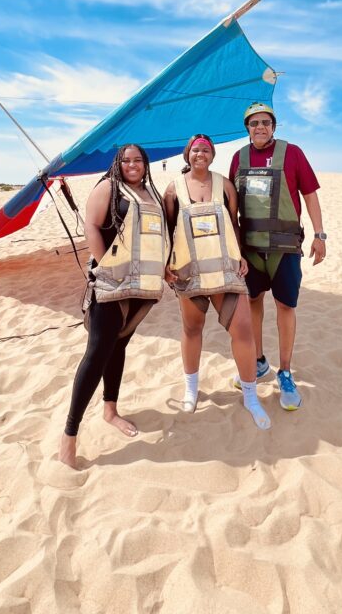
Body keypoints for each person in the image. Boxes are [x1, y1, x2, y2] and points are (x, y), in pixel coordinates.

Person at [59, 144, 168, 469]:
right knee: (96, 353)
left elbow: (155, 236)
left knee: (119, 344)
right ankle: (69, 436)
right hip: (111, 280)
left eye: (138, 160)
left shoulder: (150, 192)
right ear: (117, 164)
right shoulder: (108, 186)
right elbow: (92, 225)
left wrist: (164, 268)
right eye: (126, 160)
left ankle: (110, 411)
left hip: (141, 284)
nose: (132, 164)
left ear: (145, 164)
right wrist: (106, 264)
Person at [164, 134, 271, 430]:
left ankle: (250, 396)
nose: (201, 154)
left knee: (243, 330)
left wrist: (241, 255)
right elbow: (168, 229)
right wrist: (166, 265)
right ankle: (191, 388)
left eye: (206, 150)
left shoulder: (224, 185)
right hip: (190, 271)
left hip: (225, 269)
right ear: (188, 154)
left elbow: (233, 222)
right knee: (191, 329)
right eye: (196, 150)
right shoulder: (174, 188)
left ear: (212, 155)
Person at [230, 103, 326, 411]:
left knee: (286, 306)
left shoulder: (293, 153)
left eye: (266, 123)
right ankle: (258, 362)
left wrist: (319, 235)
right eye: (254, 123)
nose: (260, 127)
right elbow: (231, 205)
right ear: (247, 128)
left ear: (274, 126)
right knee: (253, 303)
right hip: (251, 250)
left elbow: (310, 195)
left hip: (285, 249)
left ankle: (285, 372)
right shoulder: (238, 158)